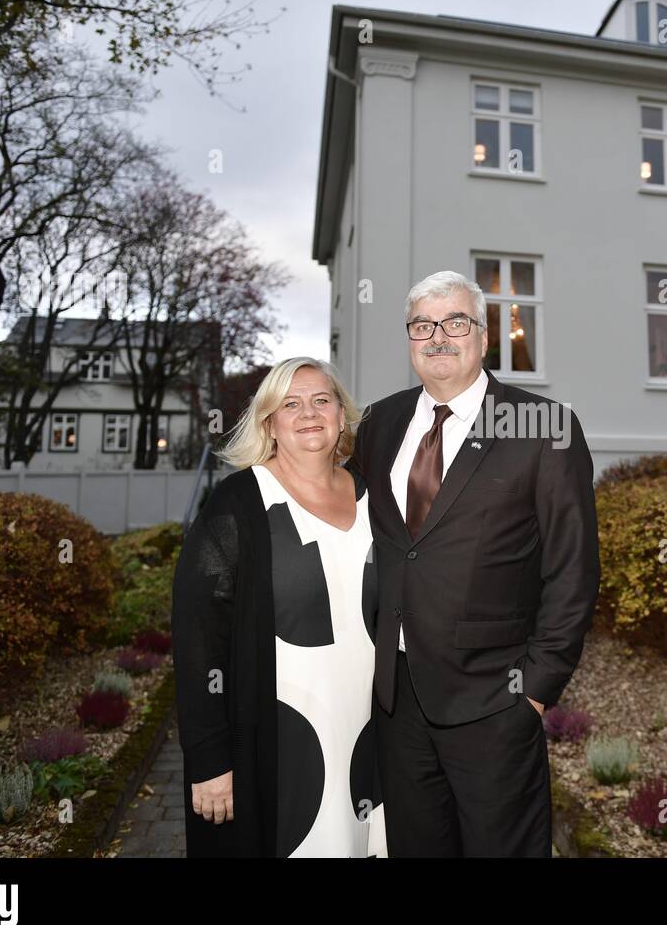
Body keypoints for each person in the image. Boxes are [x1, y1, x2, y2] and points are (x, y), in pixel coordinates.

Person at [348, 270, 600, 856]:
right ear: (409, 338)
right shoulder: (379, 424)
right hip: (397, 700)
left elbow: (573, 570)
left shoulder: (546, 428)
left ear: (484, 336)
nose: (438, 337)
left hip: (495, 701)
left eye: (455, 322)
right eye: (422, 325)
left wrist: (535, 691)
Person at [171, 356, 386, 857]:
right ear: (269, 423)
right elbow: (197, 634)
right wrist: (208, 759)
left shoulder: (373, 497)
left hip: (368, 731)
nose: (308, 413)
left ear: (341, 415)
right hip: (277, 737)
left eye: (321, 400)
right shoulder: (238, 503)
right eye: (290, 404)